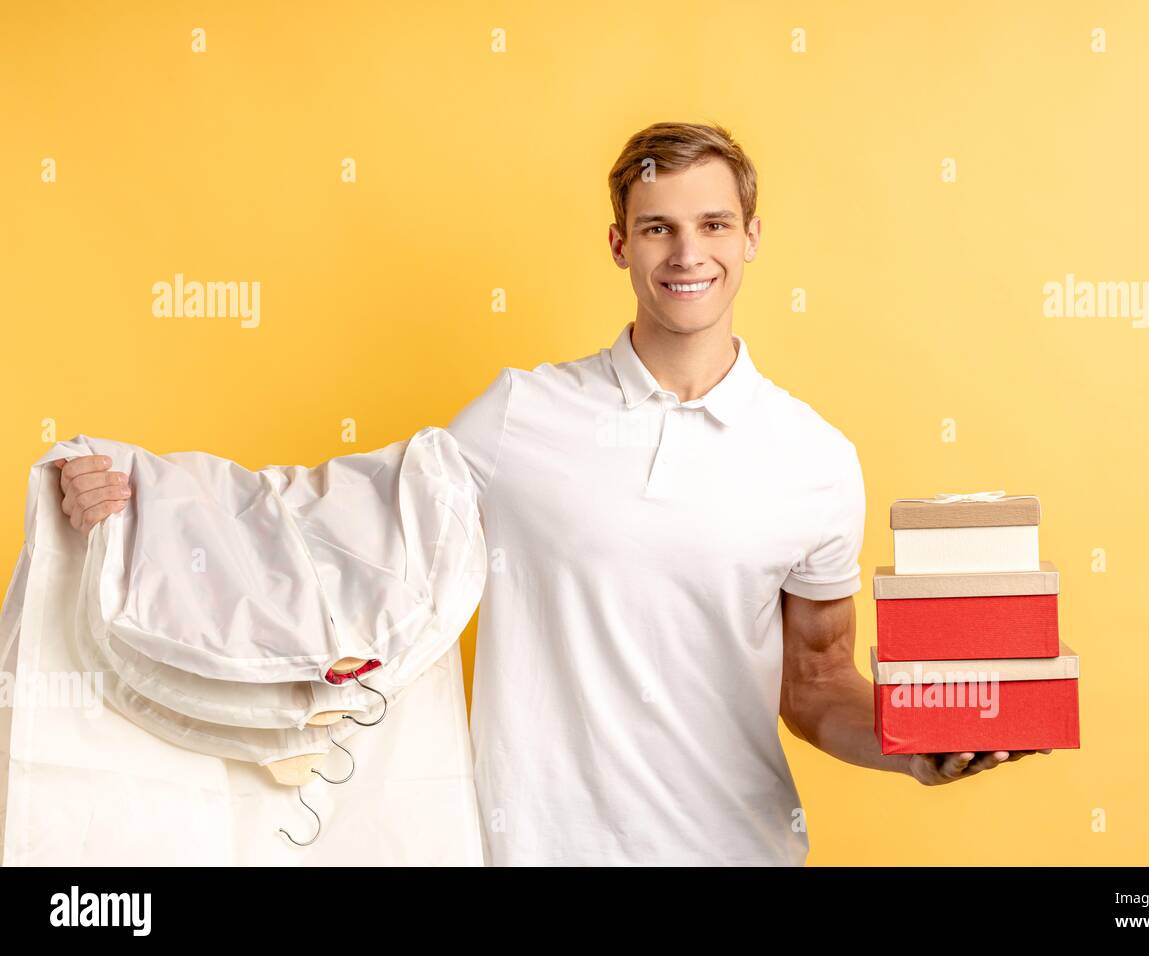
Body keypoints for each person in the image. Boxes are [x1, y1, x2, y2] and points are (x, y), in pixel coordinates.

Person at [55, 121, 1049, 866]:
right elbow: (327, 521)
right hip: (533, 850)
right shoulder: (518, 416)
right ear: (620, 244)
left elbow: (819, 683)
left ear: (751, 237)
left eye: (712, 224)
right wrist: (148, 500)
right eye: (657, 228)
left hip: (735, 847)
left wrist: (912, 746)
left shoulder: (815, 458)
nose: (687, 253)